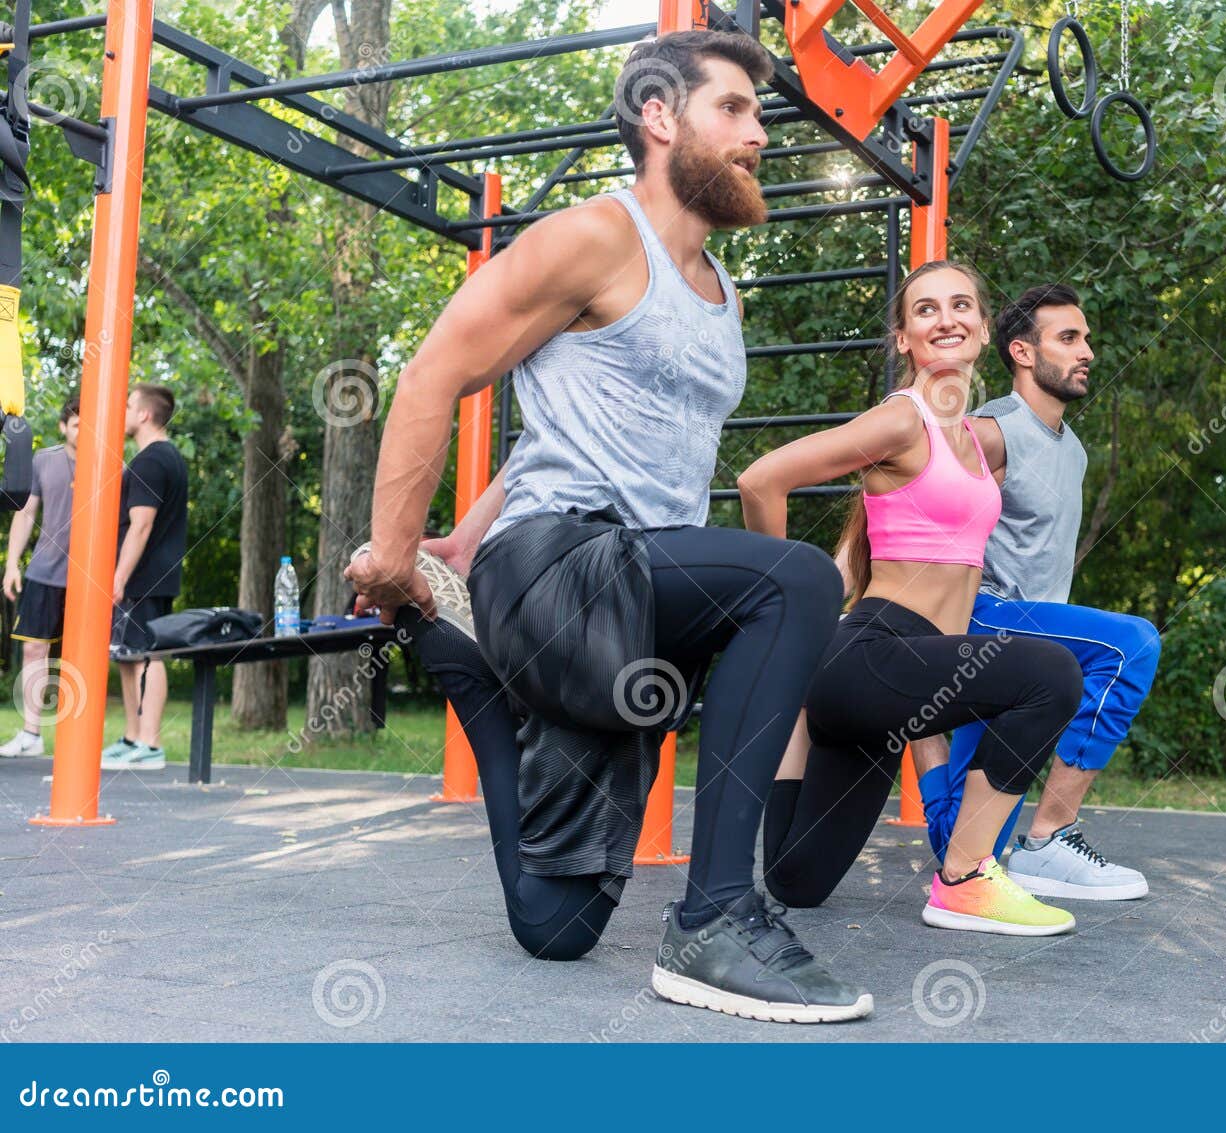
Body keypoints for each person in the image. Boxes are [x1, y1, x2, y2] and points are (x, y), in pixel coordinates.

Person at [345, 31, 871, 1024]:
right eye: (735, 109)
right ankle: (716, 915)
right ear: (660, 117)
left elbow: (570, 423)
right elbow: (432, 373)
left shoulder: (721, 294)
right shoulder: (593, 234)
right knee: (797, 579)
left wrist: (464, 535)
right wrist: (397, 555)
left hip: (631, 601)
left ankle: (466, 668)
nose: (759, 133)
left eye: (760, 114)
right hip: (562, 569)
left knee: (556, 924)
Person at [746, 260, 1085, 937]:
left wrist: (798, 699)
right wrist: (782, 619)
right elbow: (762, 479)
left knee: (796, 879)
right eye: (925, 310)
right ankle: (963, 878)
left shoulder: (969, 438)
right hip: (877, 651)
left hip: (887, 691)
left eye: (962, 304)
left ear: (986, 329)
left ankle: (801, 718)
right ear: (904, 338)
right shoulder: (903, 421)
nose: (946, 318)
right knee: (1052, 676)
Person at [919, 284, 1161, 900]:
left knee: (961, 847)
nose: (1089, 352)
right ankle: (1050, 840)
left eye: (1086, 338)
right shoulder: (991, 431)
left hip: (1030, 636)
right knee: (1131, 645)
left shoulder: (1073, 451)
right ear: (1023, 352)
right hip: (987, 615)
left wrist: (918, 729)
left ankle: (1001, 848)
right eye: (1069, 338)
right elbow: (916, 515)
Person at [100, 384, 189, 771]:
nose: (122, 410)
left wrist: (119, 577)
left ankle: (151, 744)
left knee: (147, 658)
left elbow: (141, 524)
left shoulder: (152, 460)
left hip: (145, 576)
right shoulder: (162, 457)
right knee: (127, 657)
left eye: (128, 403)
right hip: (145, 575)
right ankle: (133, 737)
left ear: (145, 415)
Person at [1, 395, 79, 758]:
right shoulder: (43, 460)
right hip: (46, 572)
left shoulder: (115, 465)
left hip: (89, 579)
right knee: (34, 649)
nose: (83, 430)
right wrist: (12, 563)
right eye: (76, 423)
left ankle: (80, 739)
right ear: (64, 426)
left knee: (84, 656)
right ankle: (32, 735)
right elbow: (25, 513)